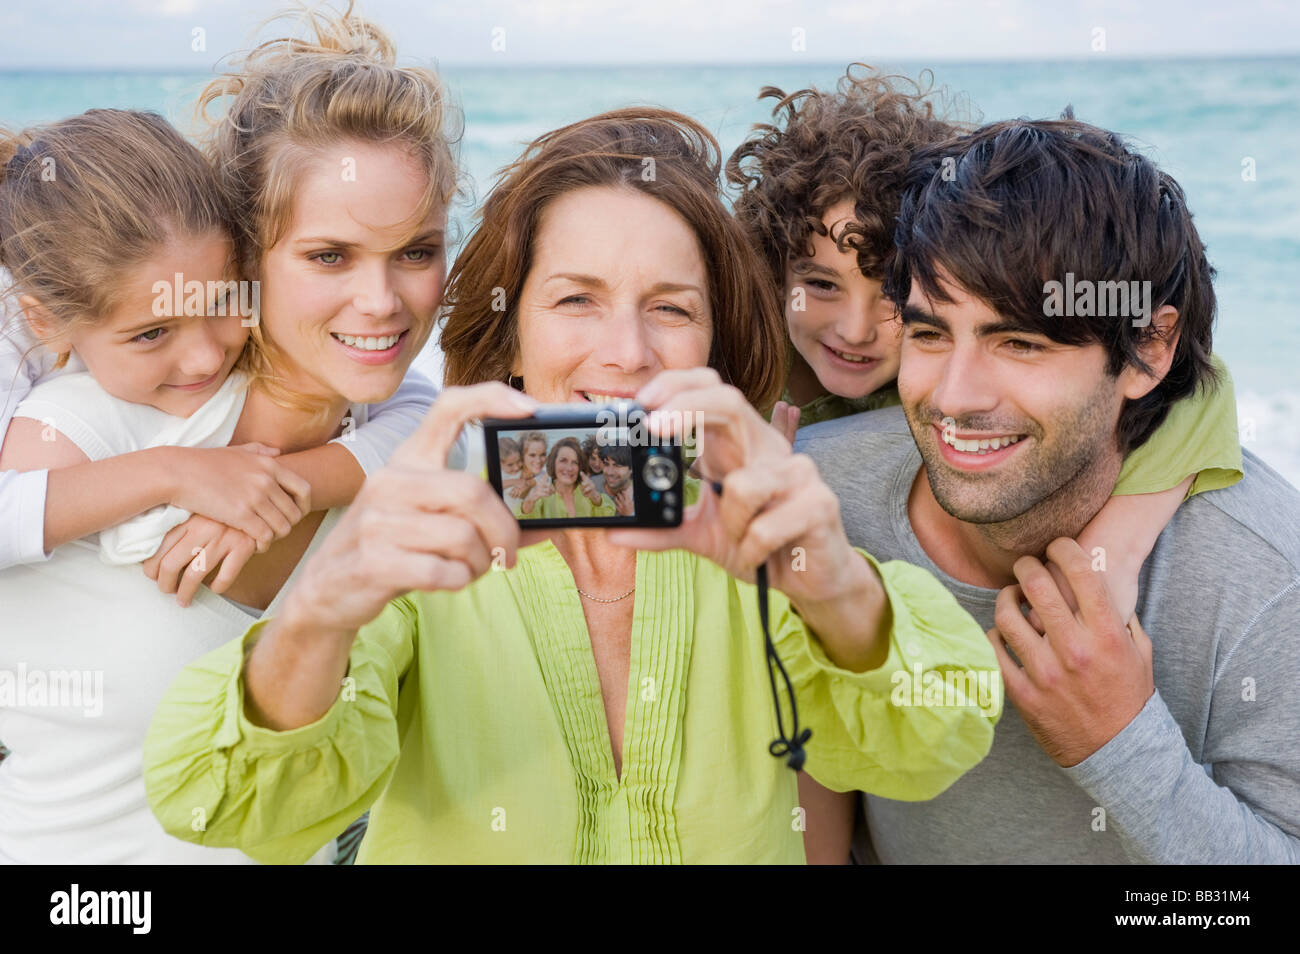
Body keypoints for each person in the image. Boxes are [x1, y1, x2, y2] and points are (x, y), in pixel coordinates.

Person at [143, 108, 1002, 864]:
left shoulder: (762, 530)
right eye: (576, 300)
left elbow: (935, 737)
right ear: (510, 334)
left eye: (670, 308)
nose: (626, 352)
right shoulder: (421, 531)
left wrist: (832, 580)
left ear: (711, 341)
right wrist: (320, 608)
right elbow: (229, 807)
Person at [729, 69, 1246, 860]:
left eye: (895, 304)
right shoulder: (760, 386)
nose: (857, 329)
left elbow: (1200, 395)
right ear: (775, 277)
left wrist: (1118, 546)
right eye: (819, 286)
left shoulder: (965, 394)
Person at [0, 6, 456, 862]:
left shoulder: (387, 438)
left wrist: (300, 483)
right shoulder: (84, 425)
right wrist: (174, 475)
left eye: (418, 252)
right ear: (245, 254)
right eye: (329, 255)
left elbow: (455, 433)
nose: (383, 302)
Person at [519, 435, 614, 519]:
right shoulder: (542, 494)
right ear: (553, 463)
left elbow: (610, 515)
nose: (569, 468)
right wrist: (530, 499)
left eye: (575, 462)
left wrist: (595, 496)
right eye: (563, 460)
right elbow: (521, 522)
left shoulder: (589, 492)